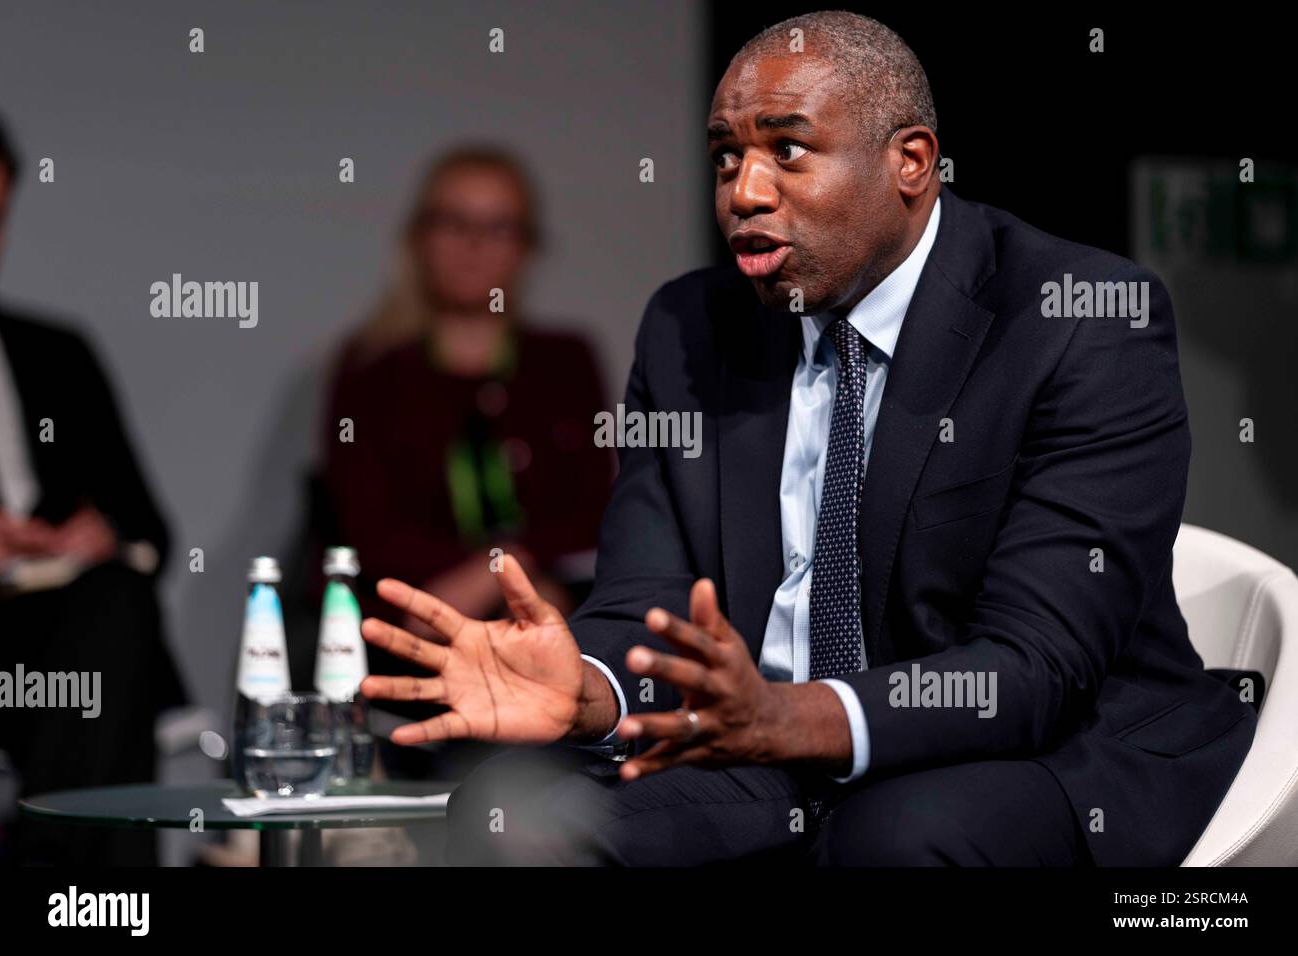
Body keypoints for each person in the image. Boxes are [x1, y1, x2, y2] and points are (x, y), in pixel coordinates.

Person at [355, 12, 1256, 866]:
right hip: (768, 756)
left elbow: (1032, 670)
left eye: (787, 150)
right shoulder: (691, 330)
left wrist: (795, 717)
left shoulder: (1075, 318)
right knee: (515, 812)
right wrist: (592, 691)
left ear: (910, 163)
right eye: (724, 158)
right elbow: (645, 605)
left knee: (893, 837)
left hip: (1042, 752)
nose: (744, 193)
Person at [317, 147, 615, 755]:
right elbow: (365, 526)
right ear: (419, 238)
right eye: (455, 222)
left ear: (527, 247)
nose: (474, 245)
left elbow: (598, 507)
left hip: (551, 616)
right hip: (412, 625)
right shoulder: (371, 369)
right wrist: (465, 595)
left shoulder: (564, 360)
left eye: (498, 226)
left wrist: (506, 573)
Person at [0, 116, 184, 865]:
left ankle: (65, 880)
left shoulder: (55, 356)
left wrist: (98, 534)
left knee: (117, 603)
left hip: (55, 631)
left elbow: (150, 531)